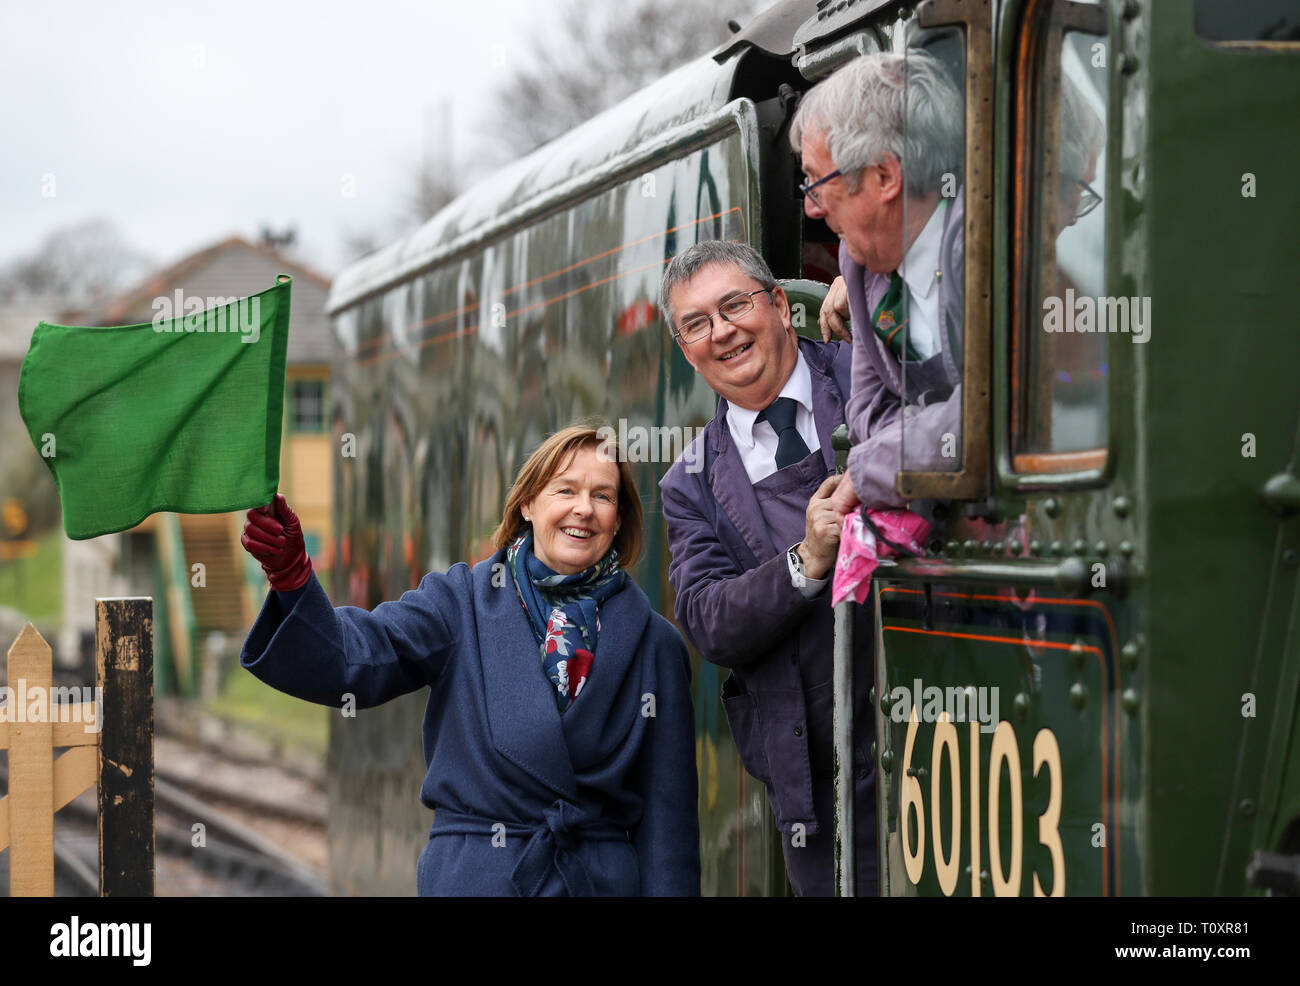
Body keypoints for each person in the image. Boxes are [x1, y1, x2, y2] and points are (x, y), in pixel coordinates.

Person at [239, 425, 700, 896]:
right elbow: (353, 659)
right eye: (566, 489)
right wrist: (292, 575)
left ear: (619, 519)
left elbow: (669, 832)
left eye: (603, 496)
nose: (584, 508)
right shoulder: (459, 604)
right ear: (528, 503)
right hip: (478, 880)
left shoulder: (654, 645)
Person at [657, 239, 877, 896]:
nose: (721, 332)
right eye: (697, 324)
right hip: (815, 783)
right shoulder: (688, 483)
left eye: (734, 306)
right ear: (687, 351)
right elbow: (709, 621)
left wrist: (868, 288)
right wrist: (805, 560)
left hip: (934, 739)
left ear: (781, 306)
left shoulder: (871, 374)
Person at [790, 51, 965, 515]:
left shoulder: (983, 245)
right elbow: (866, 416)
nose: (811, 208)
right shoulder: (859, 260)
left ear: (885, 176)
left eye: (815, 181)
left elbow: (1000, 412)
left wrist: (873, 468)